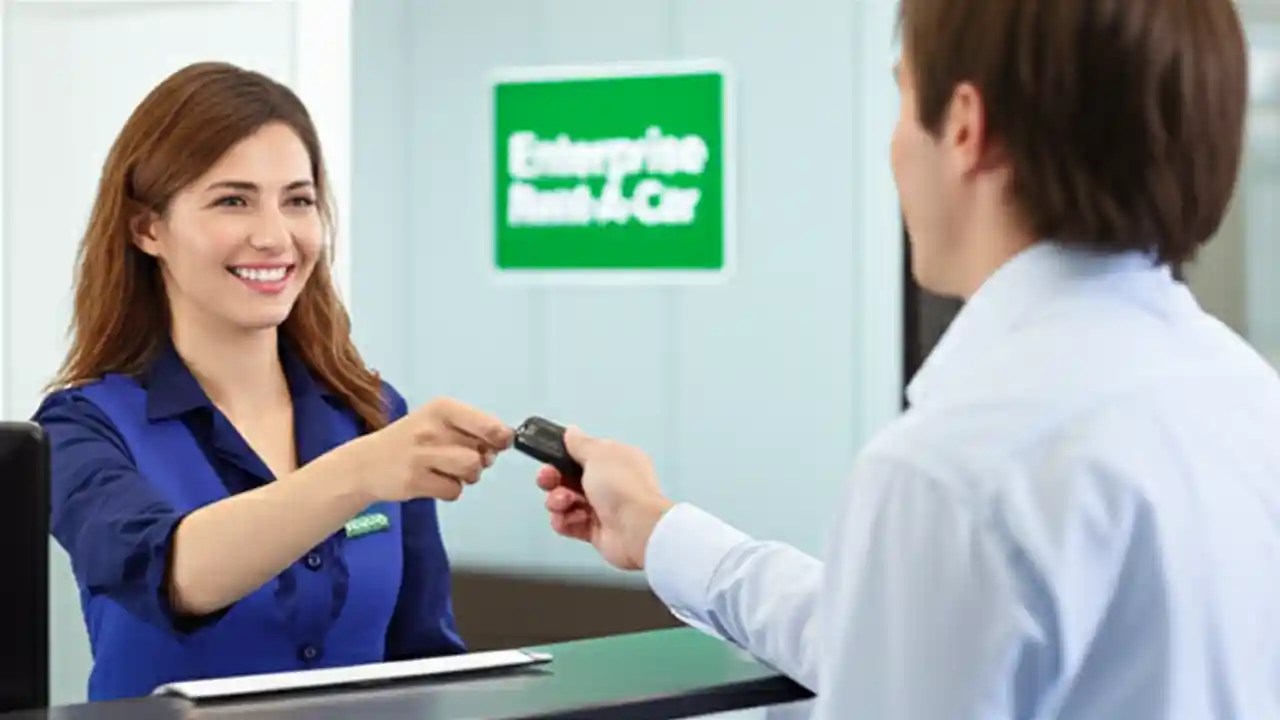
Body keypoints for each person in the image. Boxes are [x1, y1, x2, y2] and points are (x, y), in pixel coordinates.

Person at [536, 1, 1280, 718]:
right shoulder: (1246, 400)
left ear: (964, 127)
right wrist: (660, 529)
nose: (893, 148)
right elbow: (903, 640)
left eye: (901, 98)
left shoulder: (957, 465)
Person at [35, 62, 513, 701]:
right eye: (233, 201)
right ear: (147, 229)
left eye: (298, 201)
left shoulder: (372, 413)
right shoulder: (78, 429)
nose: (274, 236)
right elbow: (173, 575)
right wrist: (360, 473)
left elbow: (424, 662)